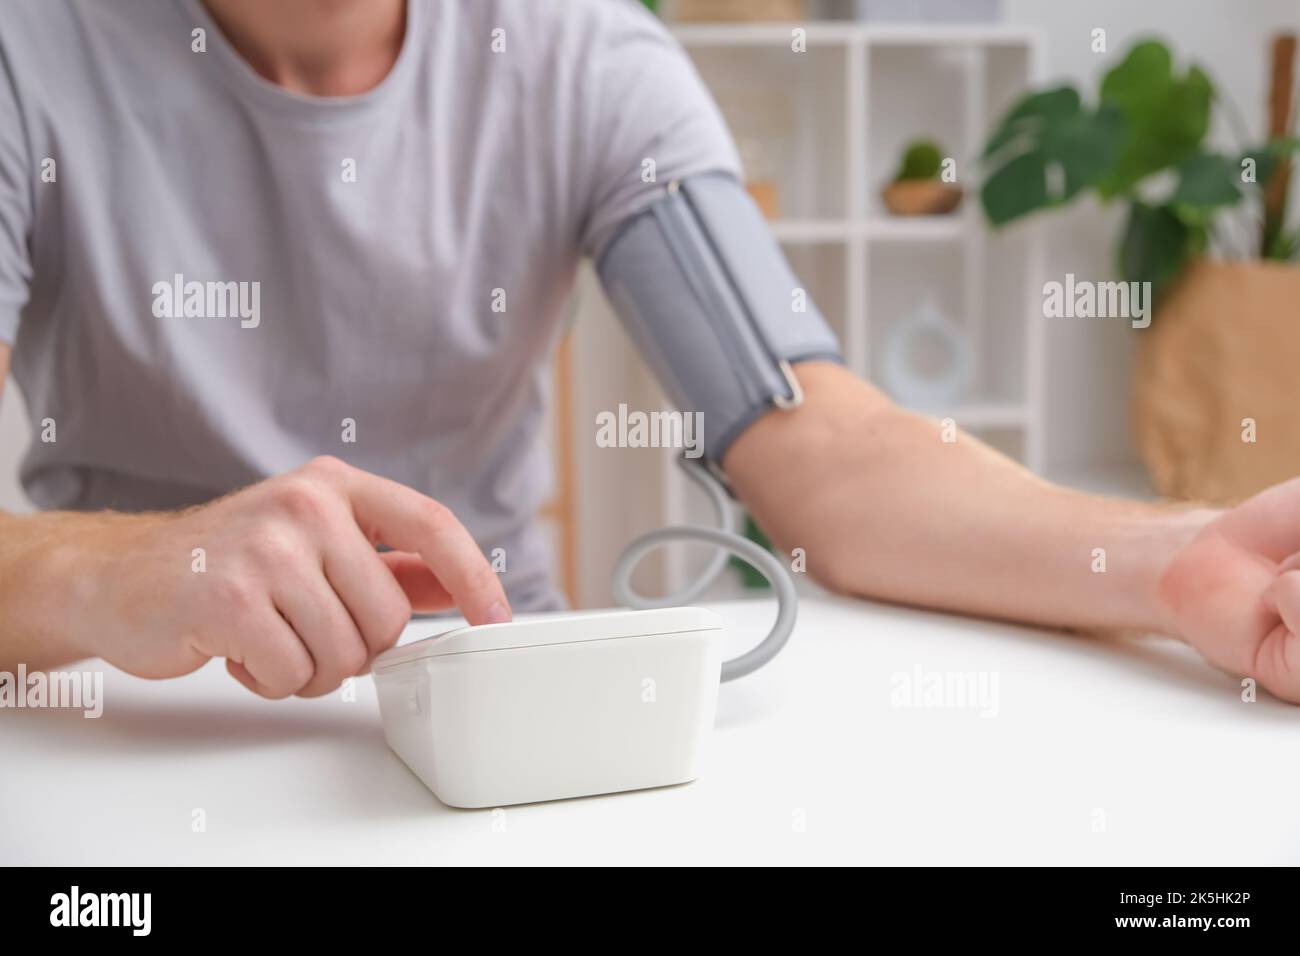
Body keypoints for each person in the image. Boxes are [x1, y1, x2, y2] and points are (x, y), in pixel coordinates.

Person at [1, 0, 1297, 703]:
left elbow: (829, 448)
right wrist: (133, 568)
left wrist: (1174, 559)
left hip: (503, 708)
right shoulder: (27, 53)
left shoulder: (583, 55)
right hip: (130, 718)